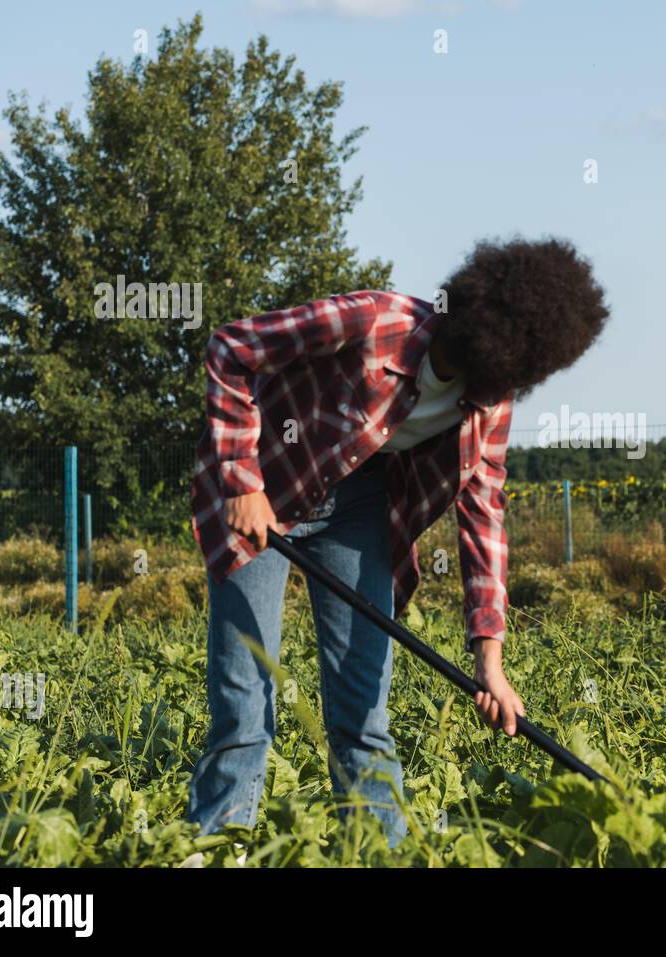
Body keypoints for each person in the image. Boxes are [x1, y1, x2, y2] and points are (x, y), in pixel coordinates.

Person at [185, 236, 610, 846]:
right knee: (245, 694)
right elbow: (232, 346)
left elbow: (483, 514)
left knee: (364, 705)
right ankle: (219, 845)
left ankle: (377, 851)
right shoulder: (374, 321)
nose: (508, 385)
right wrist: (240, 478)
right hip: (262, 490)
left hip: (358, 507)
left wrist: (489, 660)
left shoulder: (491, 399)